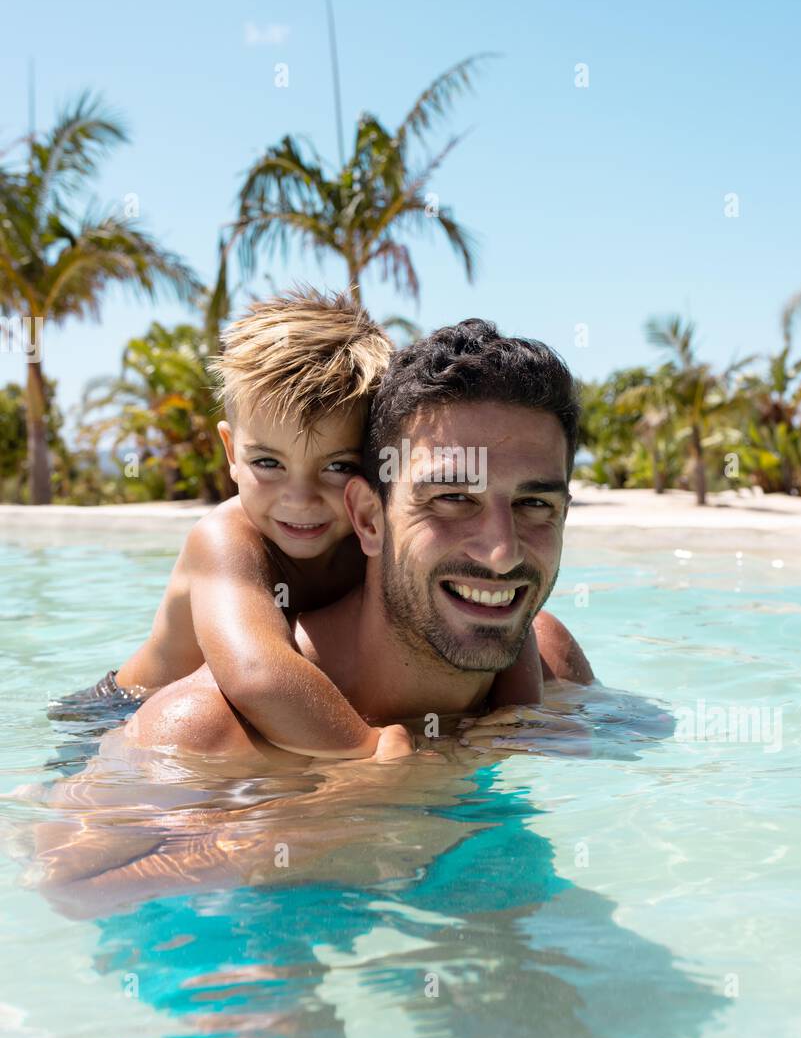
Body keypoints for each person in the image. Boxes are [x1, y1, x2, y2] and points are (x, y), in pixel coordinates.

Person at [50, 290, 540, 763]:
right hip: (119, 709)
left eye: (337, 466)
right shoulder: (225, 539)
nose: (300, 499)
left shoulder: (370, 532)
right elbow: (256, 674)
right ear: (230, 452)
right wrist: (368, 748)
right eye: (268, 462)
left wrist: (520, 716)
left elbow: (511, 624)